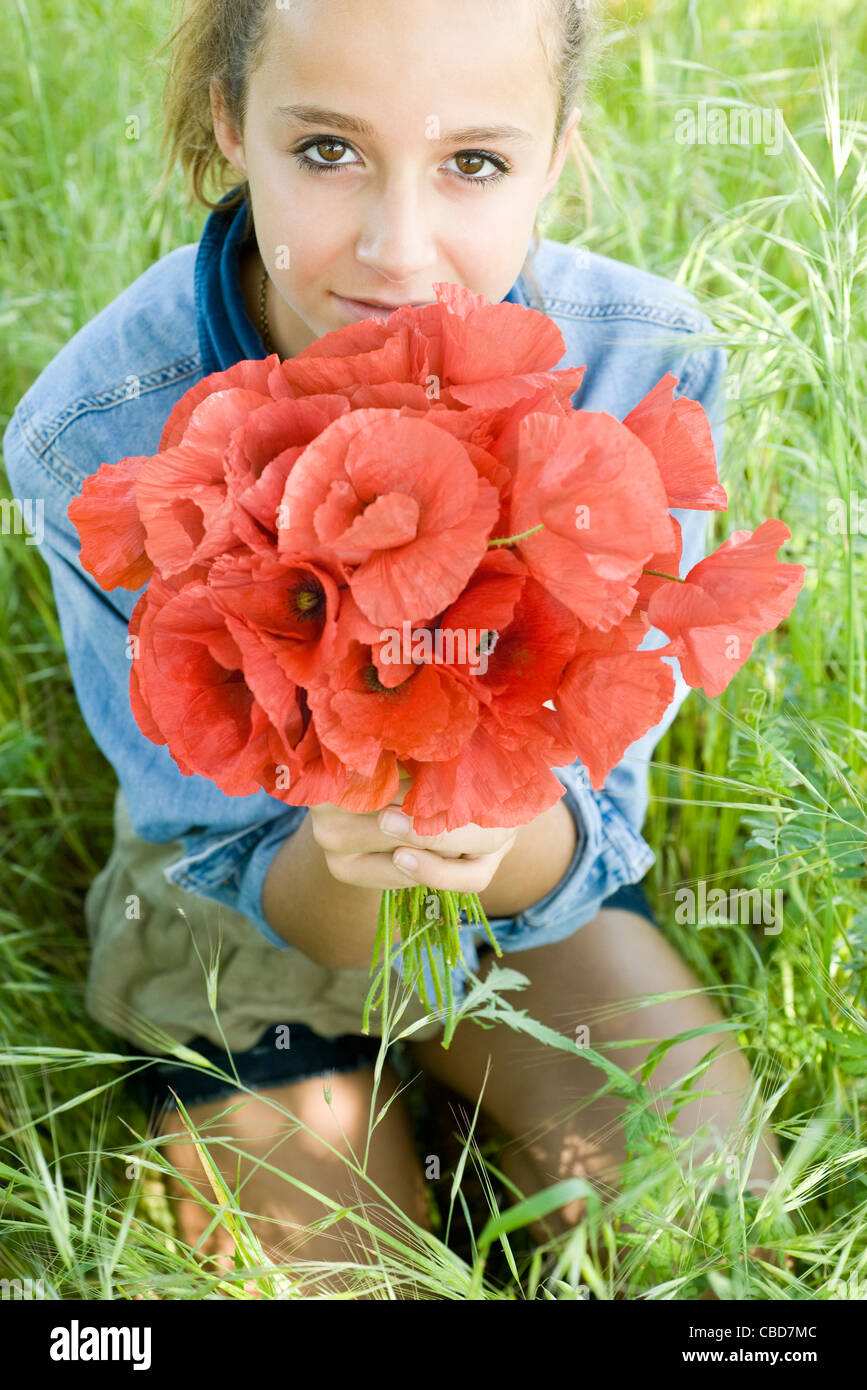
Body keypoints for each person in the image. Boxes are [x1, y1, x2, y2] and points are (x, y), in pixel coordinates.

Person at [2, 0, 778, 1294]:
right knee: (350, 1285)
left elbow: (588, 813)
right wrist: (353, 836)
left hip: (529, 883)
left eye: (474, 162)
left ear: (559, 151)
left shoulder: (640, 365)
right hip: (252, 911)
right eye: (326, 151)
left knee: (717, 1247)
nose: (398, 249)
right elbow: (223, 840)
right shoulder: (97, 430)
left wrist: (474, 822)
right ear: (230, 123)